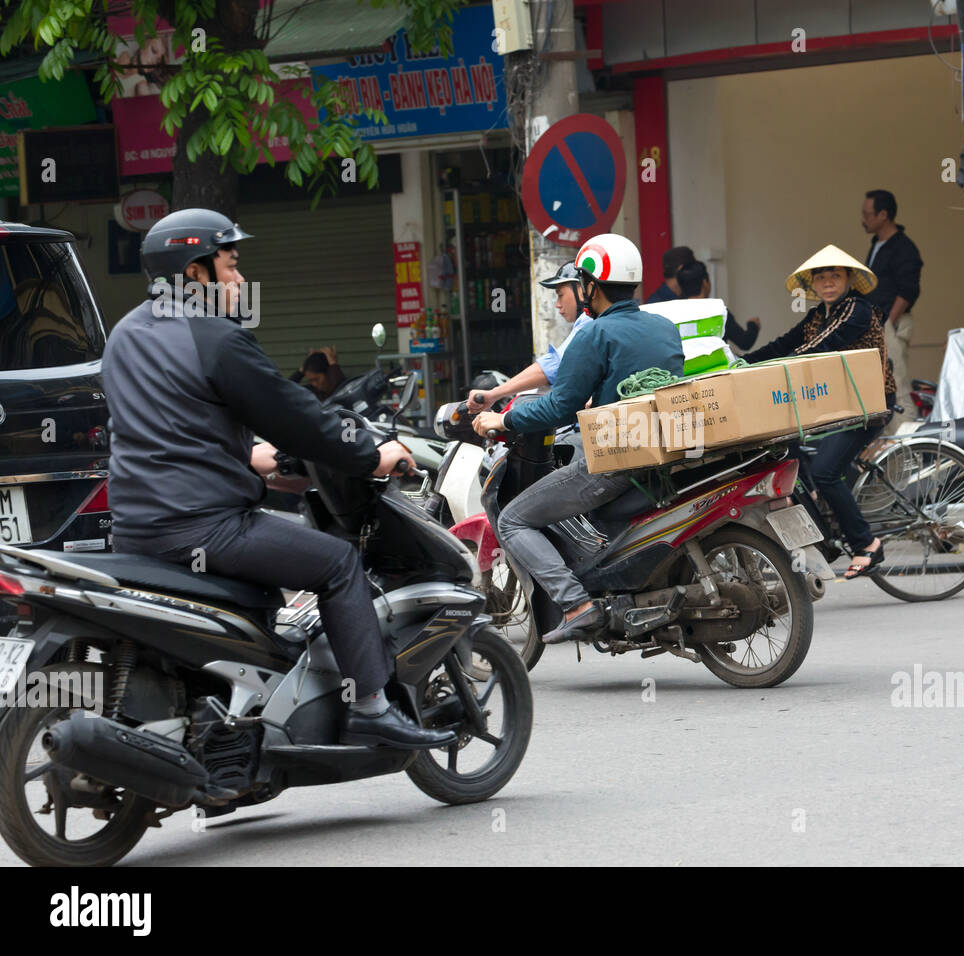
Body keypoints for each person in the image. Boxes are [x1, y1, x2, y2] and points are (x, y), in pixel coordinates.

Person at [103, 208, 454, 750]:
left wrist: (254, 457)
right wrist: (371, 455)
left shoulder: (125, 335)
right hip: (203, 527)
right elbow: (300, 417)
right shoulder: (214, 337)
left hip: (136, 528)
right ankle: (370, 706)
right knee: (337, 563)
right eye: (231, 265)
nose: (241, 281)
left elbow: (170, 427)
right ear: (195, 273)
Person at [471, 234, 684, 645]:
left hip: (615, 462)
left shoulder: (595, 334)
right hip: (665, 454)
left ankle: (576, 604)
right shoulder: (663, 327)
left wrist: (503, 420)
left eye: (579, 283)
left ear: (591, 285)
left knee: (514, 519)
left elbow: (559, 409)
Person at [747, 245, 896, 578]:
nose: (828, 282)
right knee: (787, 448)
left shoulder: (856, 310)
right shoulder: (817, 315)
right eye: (822, 277)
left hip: (868, 406)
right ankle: (820, 520)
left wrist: (778, 365)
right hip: (835, 406)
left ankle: (866, 543)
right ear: (813, 285)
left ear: (848, 280)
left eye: (835, 276)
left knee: (827, 472)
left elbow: (819, 347)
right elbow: (783, 343)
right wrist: (742, 363)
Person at [466, 262, 591, 413]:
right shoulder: (594, 320)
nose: (558, 304)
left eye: (560, 295)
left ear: (581, 289)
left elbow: (553, 366)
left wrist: (494, 394)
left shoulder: (589, 321)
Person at [861, 189, 922, 430]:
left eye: (867, 214)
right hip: (878, 323)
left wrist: (891, 323)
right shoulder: (877, 243)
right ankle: (889, 449)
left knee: (897, 385)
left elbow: (909, 290)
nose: (863, 219)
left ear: (883, 215)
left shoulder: (904, 248)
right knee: (880, 388)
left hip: (889, 324)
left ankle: (910, 446)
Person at [673, 259, 762, 351]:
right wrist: (753, 325)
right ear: (705, 282)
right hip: (716, 364)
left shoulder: (675, 313)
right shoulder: (717, 311)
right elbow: (745, 342)